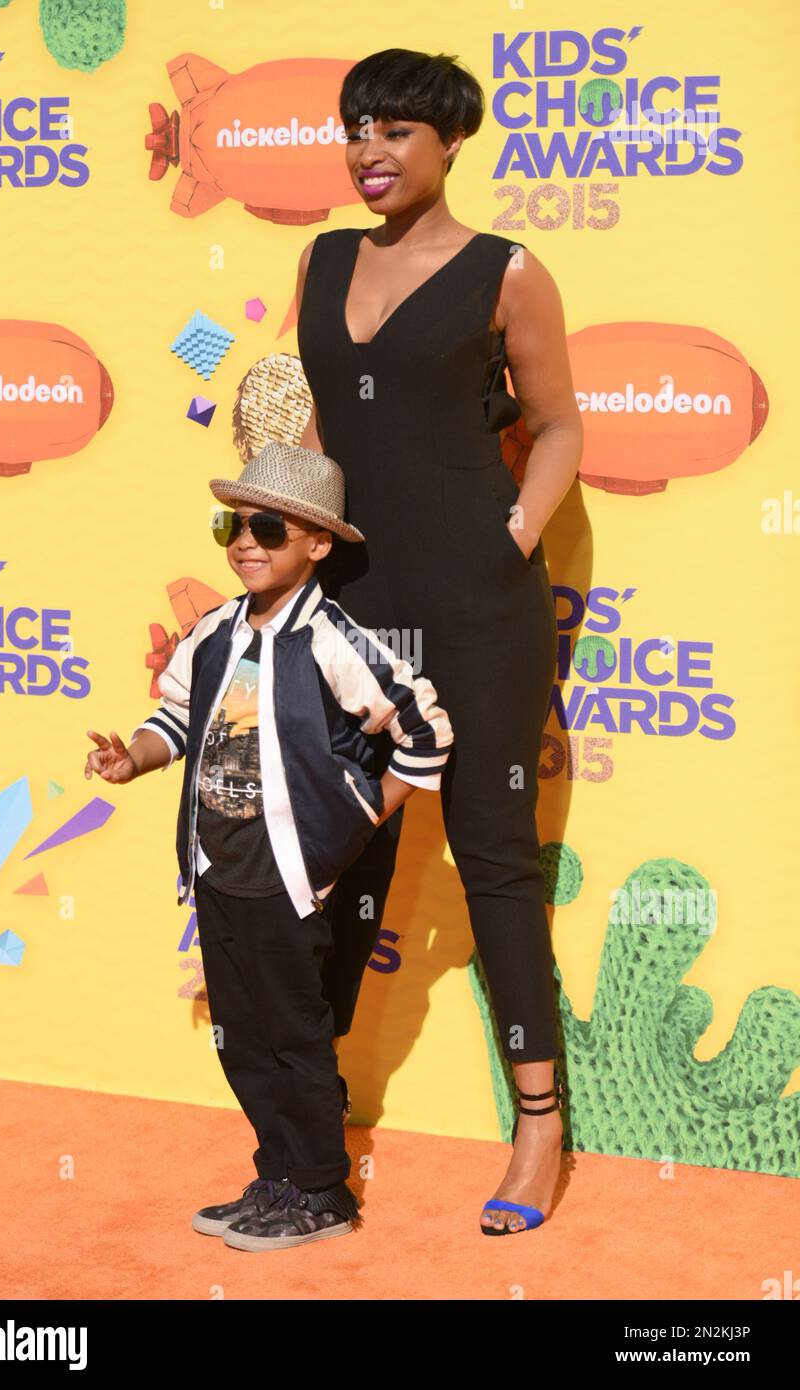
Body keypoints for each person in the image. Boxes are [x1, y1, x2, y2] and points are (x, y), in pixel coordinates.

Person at [296, 48, 583, 1234]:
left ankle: (539, 1131)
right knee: (338, 854)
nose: (371, 148)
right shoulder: (317, 259)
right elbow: (320, 420)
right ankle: (311, 1124)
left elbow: (561, 424)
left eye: (398, 129)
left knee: (495, 859)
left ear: (450, 142)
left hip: (475, 609)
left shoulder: (506, 271)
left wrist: (508, 537)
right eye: (357, 126)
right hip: (349, 606)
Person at [83, 441, 453, 1251]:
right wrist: (131, 759)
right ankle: (278, 1175)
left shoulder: (332, 639)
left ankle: (323, 1190)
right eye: (232, 525)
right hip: (218, 869)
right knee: (242, 1037)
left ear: (317, 543)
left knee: (294, 1035)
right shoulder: (215, 630)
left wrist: (365, 812)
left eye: (267, 527)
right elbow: (176, 718)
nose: (245, 541)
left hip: (288, 878)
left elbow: (424, 724)